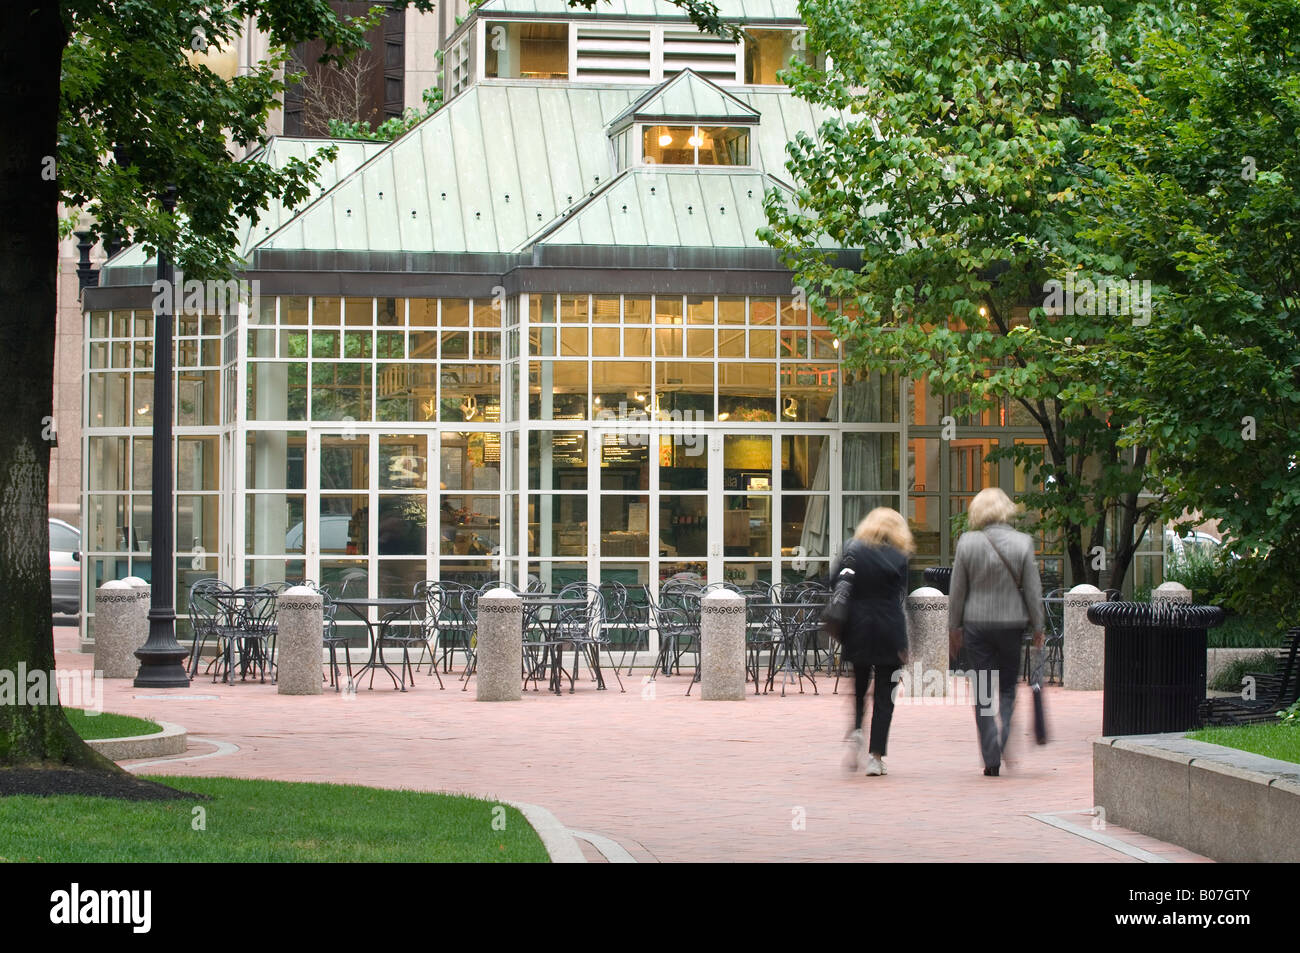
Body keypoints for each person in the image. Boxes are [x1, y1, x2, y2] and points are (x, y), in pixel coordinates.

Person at [947, 487, 1045, 777]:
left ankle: (991, 757)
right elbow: (1033, 590)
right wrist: (1038, 625)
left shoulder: (967, 542)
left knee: (982, 690)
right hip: (1011, 625)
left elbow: (957, 591)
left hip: (977, 626)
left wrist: (954, 627)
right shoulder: (1022, 543)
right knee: (1007, 687)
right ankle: (1004, 736)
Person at [833, 507, 914, 777]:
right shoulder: (899, 557)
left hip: (857, 628)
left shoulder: (853, 551)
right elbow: (900, 596)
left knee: (858, 688)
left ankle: (856, 729)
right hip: (889, 629)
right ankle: (875, 756)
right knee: (884, 696)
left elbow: (833, 582)